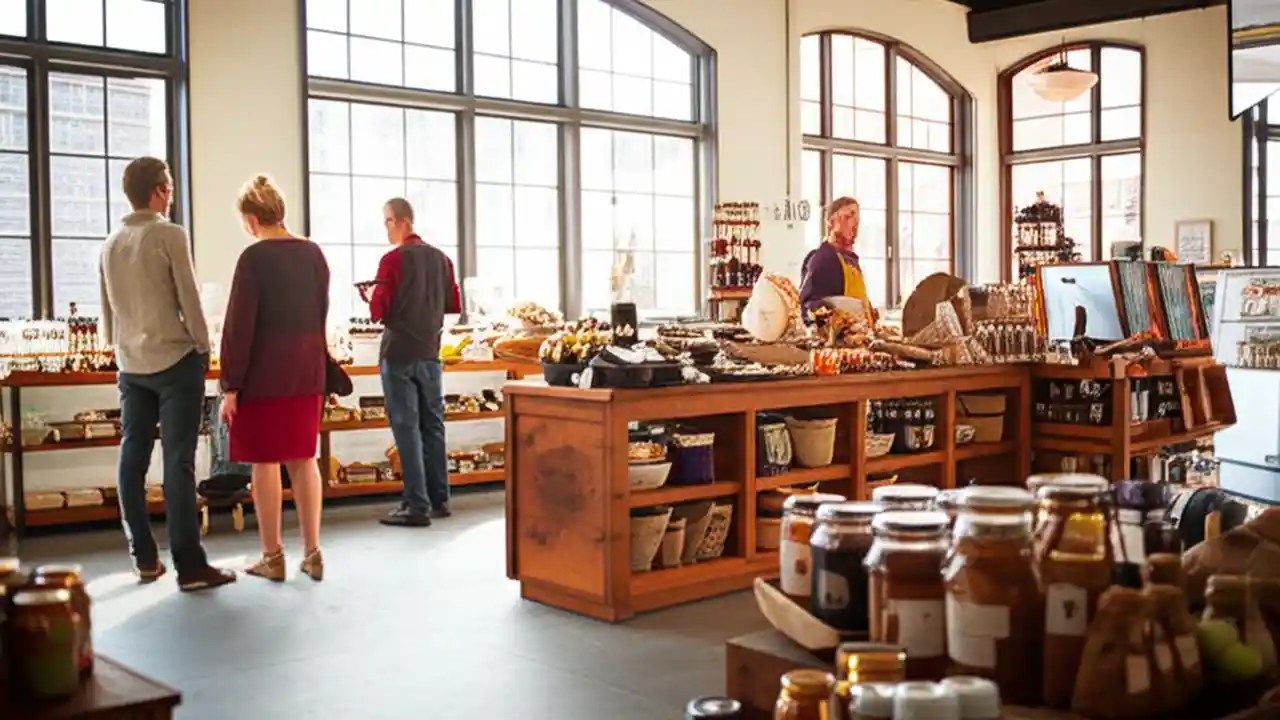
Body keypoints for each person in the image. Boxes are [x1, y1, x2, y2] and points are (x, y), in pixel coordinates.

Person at [99, 157, 236, 591]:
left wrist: (121, 349)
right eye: (170, 188)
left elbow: (107, 315)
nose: (171, 196)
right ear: (160, 190)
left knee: (132, 457)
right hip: (175, 362)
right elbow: (189, 299)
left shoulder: (110, 243)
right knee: (178, 462)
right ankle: (189, 565)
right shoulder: (170, 235)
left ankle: (143, 558)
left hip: (130, 364)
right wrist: (204, 346)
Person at [220, 175, 329, 581]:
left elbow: (238, 327)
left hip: (263, 376)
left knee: (264, 463)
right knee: (304, 459)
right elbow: (320, 313)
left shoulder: (253, 259)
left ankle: (273, 556)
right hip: (307, 372)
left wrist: (231, 385)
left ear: (251, 219)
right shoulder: (313, 253)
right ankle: (313, 552)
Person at [360, 198, 461, 527]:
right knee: (433, 425)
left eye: (387, 222)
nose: (386, 229)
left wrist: (370, 297)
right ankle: (440, 498)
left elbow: (379, 312)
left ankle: (415, 505)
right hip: (430, 353)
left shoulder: (392, 260)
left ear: (400, 221)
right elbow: (452, 304)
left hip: (399, 353)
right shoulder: (442, 260)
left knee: (406, 428)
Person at [798, 196, 876, 321]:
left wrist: (868, 310)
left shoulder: (851, 260)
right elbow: (806, 306)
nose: (854, 224)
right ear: (831, 221)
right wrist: (829, 311)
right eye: (848, 217)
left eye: (857, 219)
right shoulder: (823, 259)